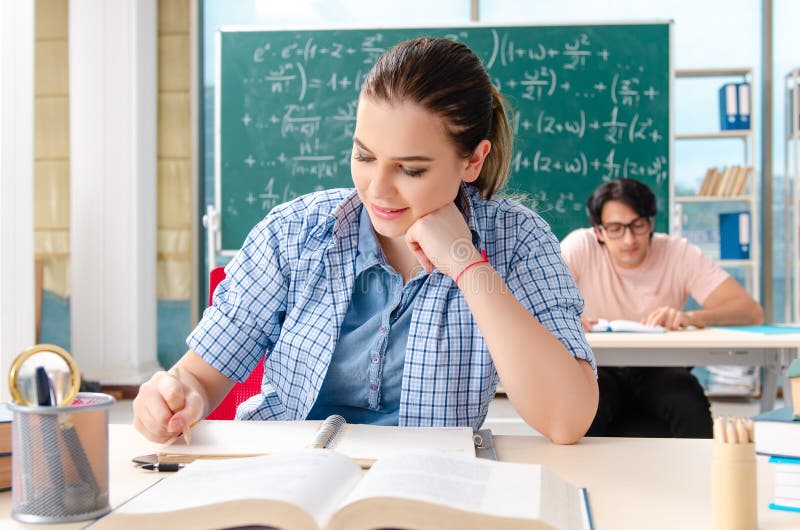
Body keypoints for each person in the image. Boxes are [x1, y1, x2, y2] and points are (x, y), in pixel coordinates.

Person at [133, 37, 598, 445]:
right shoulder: (292, 232)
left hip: (428, 487)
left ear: (472, 162)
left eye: (411, 169)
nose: (377, 188)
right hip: (283, 478)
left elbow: (565, 420)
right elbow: (197, 375)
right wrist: (174, 397)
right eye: (364, 155)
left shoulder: (518, 238)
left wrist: (467, 263)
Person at [560, 178, 764, 438]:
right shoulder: (580, 246)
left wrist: (690, 317)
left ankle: (700, 479)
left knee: (688, 404)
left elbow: (749, 310)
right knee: (582, 411)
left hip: (660, 366)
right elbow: (533, 302)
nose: (628, 239)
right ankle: (580, 481)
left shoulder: (677, 252)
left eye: (638, 225)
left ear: (651, 224)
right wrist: (565, 317)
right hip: (599, 367)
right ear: (598, 231)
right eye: (615, 228)